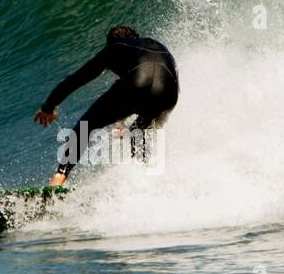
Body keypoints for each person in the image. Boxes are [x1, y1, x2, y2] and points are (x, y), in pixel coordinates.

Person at [34, 25, 179, 186]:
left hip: (138, 84)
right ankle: (144, 180)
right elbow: (158, 89)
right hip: (169, 95)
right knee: (138, 131)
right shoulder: (158, 48)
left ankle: (58, 179)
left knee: (85, 126)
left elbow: (78, 78)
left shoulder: (115, 47)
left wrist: (49, 106)